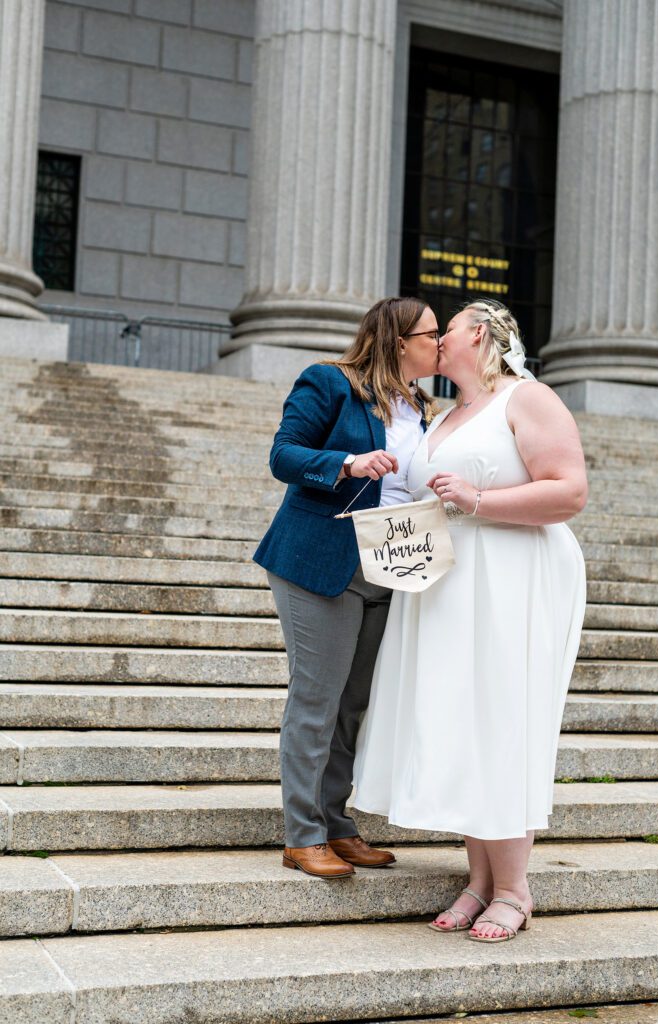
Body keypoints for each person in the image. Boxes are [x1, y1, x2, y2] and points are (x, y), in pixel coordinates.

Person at [353, 298, 587, 939]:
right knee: (464, 721)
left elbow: (569, 490)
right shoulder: (446, 414)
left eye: (446, 329)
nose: (434, 339)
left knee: (501, 718)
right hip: (447, 584)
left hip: (512, 579)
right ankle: (480, 881)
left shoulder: (527, 398)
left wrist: (477, 498)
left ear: (478, 333)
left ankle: (514, 888)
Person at [253, 297, 440, 878]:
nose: (439, 343)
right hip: (321, 558)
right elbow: (283, 455)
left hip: (391, 562)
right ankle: (303, 834)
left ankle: (336, 824)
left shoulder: (426, 407)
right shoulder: (330, 382)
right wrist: (348, 463)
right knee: (318, 698)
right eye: (431, 334)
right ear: (399, 340)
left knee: (353, 703)